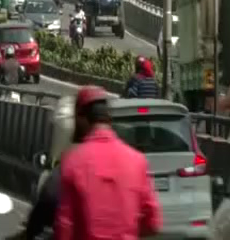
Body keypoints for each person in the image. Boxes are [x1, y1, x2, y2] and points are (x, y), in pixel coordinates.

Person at [55, 86, 162, 239]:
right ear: (108, 117)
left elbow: (64, 227)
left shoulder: (72, 161)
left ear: (81, 118)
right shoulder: (137, 161)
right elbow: (153, 223)